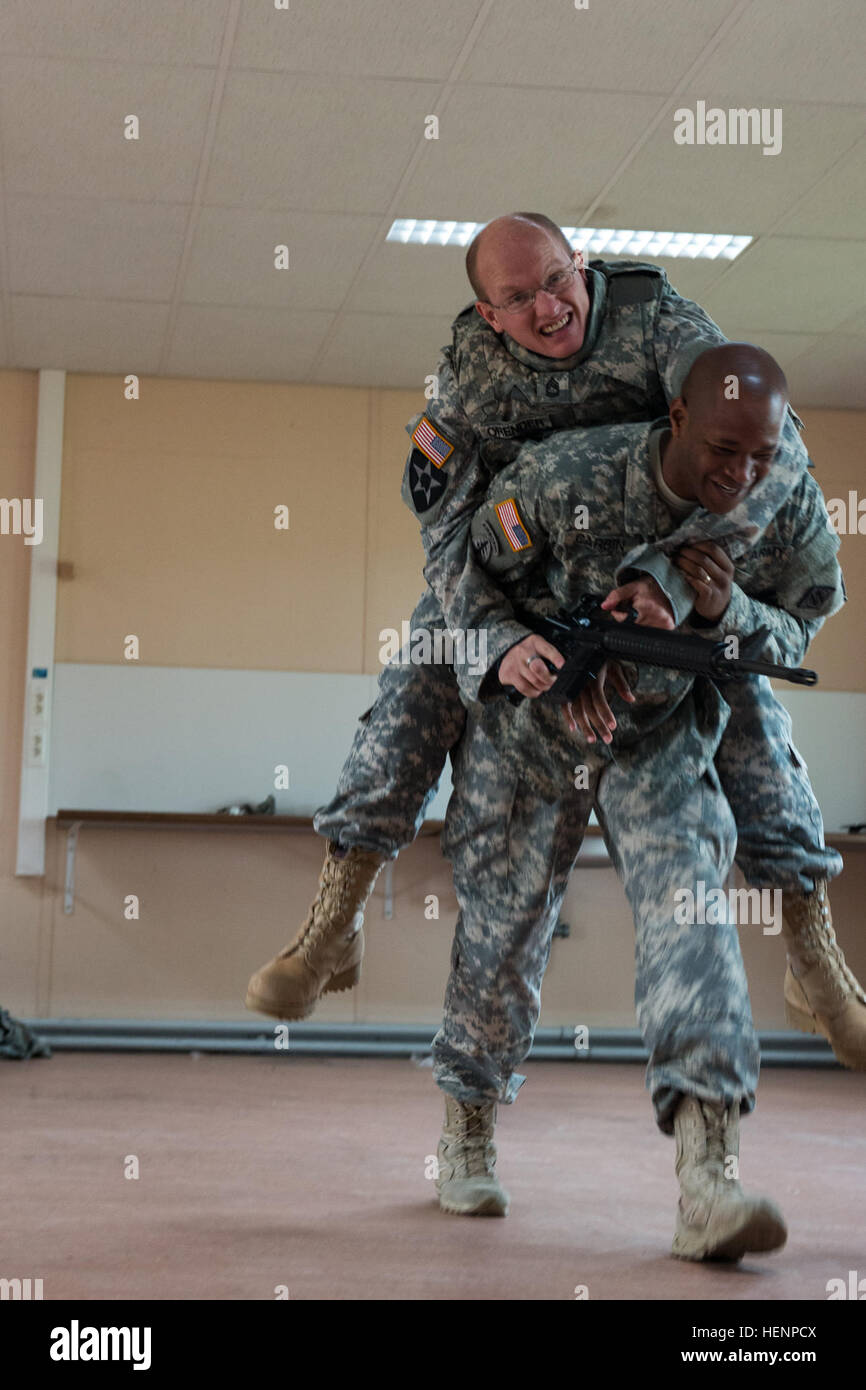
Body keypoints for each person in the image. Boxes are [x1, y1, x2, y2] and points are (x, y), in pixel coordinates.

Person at [244, 214, 865, 1072]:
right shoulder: (467, 375)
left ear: (581, 264)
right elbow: (446, 533)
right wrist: (496, 640)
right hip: (517, 583)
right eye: (518, 297)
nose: (548, 308)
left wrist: (683, 587)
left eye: (557, 280)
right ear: (487, 312)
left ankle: (815, 959)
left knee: (748, 702)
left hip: (659, 589)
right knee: (418, 680)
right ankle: (335, 923)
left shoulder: (659, 322)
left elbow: (771, 457)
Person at [431, 344, 844, 1260]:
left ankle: (709, 1179)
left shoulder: (784, 503)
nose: (741, 476)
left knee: (693, 917)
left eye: (762, 457)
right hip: (535, 732)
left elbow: (799, 628)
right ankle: (467, 1125)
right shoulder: (565, 474)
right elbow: (471, 583)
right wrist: (521, 649)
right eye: (724, 451)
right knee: (501, 934)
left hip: (660, 733)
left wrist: (728, 609)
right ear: (679, 420)